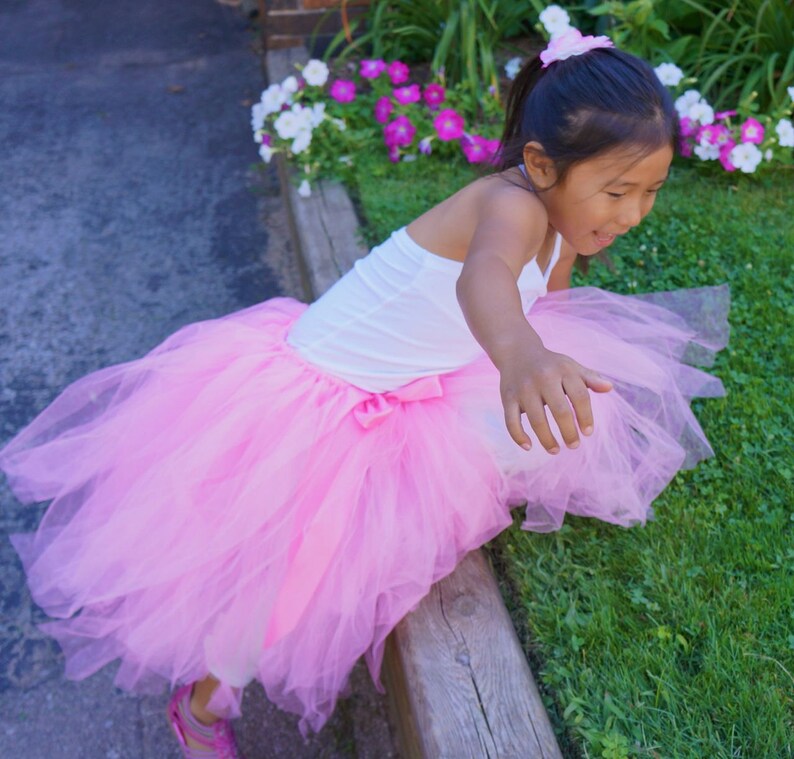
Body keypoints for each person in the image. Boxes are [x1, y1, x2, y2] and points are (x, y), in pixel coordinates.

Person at [0, 29, 728, 758]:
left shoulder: (562, 219)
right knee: (293, 578)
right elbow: (487, 284)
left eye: (650, 192)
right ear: (541, 164)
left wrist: (541, 354)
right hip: (320, 401)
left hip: (415, 383)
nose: (632, 214)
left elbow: (546, 306)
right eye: (618, 191)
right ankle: (205, 697)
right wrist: (518, 353)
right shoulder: (513, 207)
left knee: (572, 398)